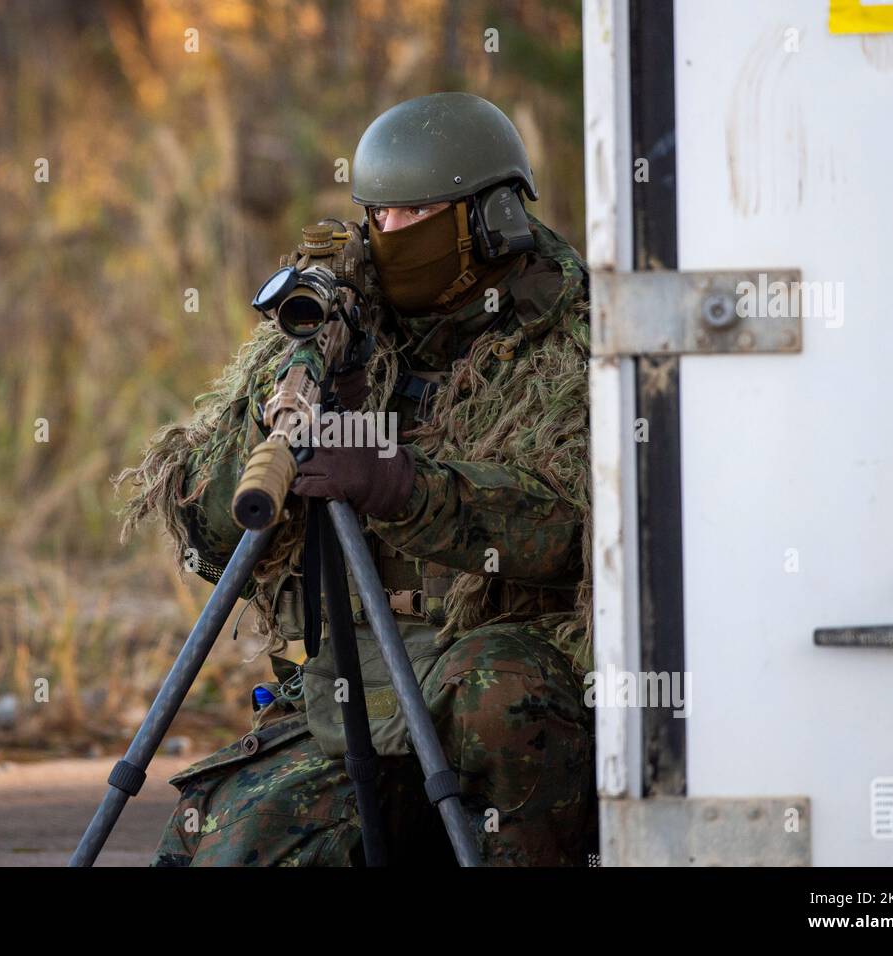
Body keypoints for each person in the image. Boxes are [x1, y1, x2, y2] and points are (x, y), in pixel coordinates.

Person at [121, 91, 594, 866]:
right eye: (379, 216)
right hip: (355, 683)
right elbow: (213, 537)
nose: (390, 236)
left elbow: (571, 532)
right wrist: (277, 412)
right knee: (228, 846)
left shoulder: (573, 339)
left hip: (496, 673)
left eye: (418, 217)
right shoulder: (337, 319)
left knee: (505, 692)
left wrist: (403, 487)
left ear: (490, 219)